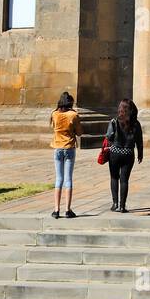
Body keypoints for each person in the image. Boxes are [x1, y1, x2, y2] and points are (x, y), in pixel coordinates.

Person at [105, 98, 142, 213]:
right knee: (124, 180)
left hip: (115, 152)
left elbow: (109, 137)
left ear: (120, 109)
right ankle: (122, 206)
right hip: (128, 153)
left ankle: (115, 203)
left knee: (114, 177)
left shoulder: (114, 121)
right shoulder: (135, 123)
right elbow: (139, 141)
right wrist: (140, 153)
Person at [51, 91, 81, 219]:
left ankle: (56, 209)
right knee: (68, 179)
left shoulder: (54, 114)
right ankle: (67, 210)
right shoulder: (73, 115)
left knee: (59, 179)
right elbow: (79, 132)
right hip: (69, 147)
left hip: (57, 147)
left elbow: (53, 127)